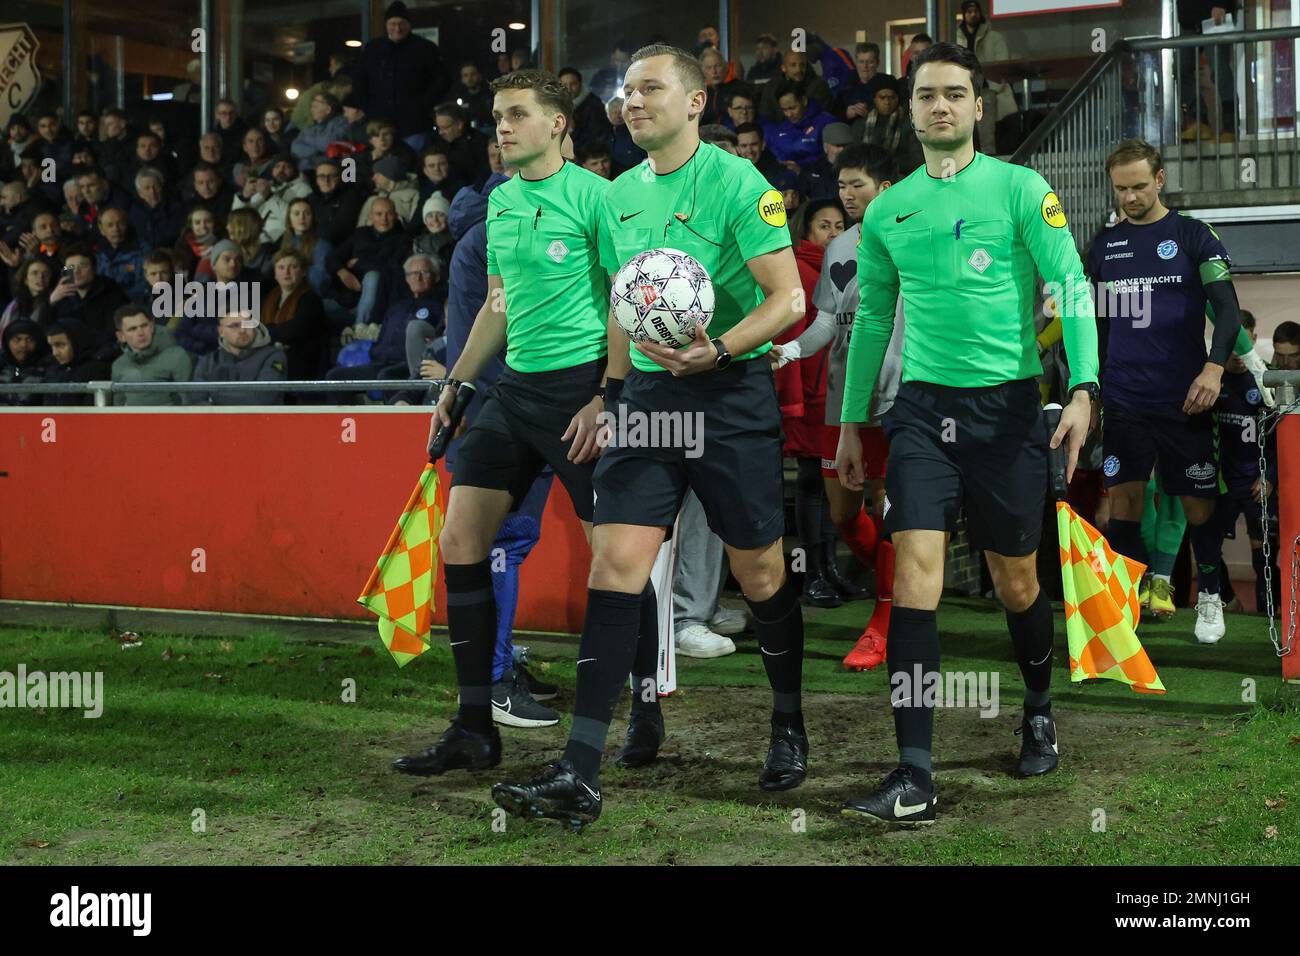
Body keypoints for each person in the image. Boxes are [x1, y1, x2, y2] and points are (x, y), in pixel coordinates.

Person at [493, 45, 808, 829]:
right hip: (648, 397)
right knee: (617, 562)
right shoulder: (616, 194)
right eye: (626, 91)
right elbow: (623, 307)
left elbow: (790, 300)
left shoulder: (740, 183)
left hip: (730, 393)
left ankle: (788, 721)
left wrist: (722, 349)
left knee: (761, 571)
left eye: (651, 89)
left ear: (696, 103)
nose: (632, 102)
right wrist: (610, 392)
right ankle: (580, 768)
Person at [838, 43, 1099, 824]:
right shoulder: (889, 209)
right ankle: (913, 772)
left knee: (1017, 582)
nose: (941, 106)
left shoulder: (1022, 189)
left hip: (1009, 414)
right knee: (915, 571)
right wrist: (852, 421)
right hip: (920, 412)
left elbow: (1071, 283)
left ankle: (1039, 705)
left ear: (979, 107)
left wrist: (1082, 387)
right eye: (927, 96)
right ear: (910, 110)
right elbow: (873, 318)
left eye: (956, 94)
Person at [392, 70, 659, 769]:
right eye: (497, 117)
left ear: (559, 125)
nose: (502, 128)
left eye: (516, 115)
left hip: (585, 394)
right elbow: (499, 305)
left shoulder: (603, 199)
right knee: (460, 540)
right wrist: (457, 382)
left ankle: (648, 706)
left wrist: (611, 394)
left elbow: (625, 301)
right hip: (512, 393)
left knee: (618, 562)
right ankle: (475, 728)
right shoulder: (502, 204)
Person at [1088, 138, 1265, 646]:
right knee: (1122, 502)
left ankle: (1210, 592)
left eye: (1139, 186)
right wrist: (1091, 384)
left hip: (1186, 398)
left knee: (1195, 504)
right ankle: (1125, 600)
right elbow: (1092, 322)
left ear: (1160, 180)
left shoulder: (1194, 236)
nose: (1130, 197)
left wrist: (1214, 370)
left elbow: (1227, 310)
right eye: (1121, 189)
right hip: (1123, 398)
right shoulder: (1104, 245)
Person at [773, 144, 902, 671]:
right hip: (844, 398)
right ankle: (911, 580)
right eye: (843, 186)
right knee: (844, 514)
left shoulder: (912, 239)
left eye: (859, 186)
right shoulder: (839, 247)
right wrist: (792, 348)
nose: (848, 196)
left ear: (886, 188)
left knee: (892, 511)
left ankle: (887, 620)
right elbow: (827, 321)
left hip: (898, 399)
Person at [1211, 310, 1280, 615]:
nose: (1239, 352)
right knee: (1207, 543)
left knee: (1262, 552)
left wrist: (1270, 476)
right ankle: (1226, 600)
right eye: (1233, 342)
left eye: (1245, 341)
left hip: (1257, 483)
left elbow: (1280, 438)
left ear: (1253, 338)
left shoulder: (1268, 380)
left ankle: (1269, 610)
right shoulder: (1211, 380)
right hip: (1222, 483)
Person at [354, 1, 449, 147]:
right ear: (386, 25)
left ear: (409, 24)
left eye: (401, 23)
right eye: (393, 24)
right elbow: (360, 80)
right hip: (380, 125)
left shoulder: (425, 48)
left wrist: (422, 106)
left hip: (413, 125)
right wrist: (368, 108)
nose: (397, 28)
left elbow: (442, 80)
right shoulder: (373, 49)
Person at [47, 245, 130, 360]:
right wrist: (50, 302)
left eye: (83, 265)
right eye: (70, 267)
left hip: (99, 355)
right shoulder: (60, 294)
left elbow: (112, 333)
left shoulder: (111, 291)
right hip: (66, 356)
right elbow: (45, 331)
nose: (76, 271)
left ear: (94, 268)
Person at [189, 311, 288, 405]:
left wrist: (213, 397)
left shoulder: (273, 355)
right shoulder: (209, 360)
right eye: (235, 326)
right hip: (216, 422)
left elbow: (261, 398)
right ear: (221, 331)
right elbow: (196, 397)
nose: (242, 330)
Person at [262, 249, 327, 382]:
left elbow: (294, 330)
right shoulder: (270, 297)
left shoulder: (311, 299)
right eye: (281, 267)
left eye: (293, 267)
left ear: (303, 272)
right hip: (272, 356)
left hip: (301, 362)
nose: (286, 272)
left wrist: (265, 332)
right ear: (275, 273)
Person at [110, 304, 193, 405]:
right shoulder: (118, 365)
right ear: (121, 336)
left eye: (144, 326)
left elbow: (188, 402)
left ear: (152, 326)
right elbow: (117, 408)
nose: (141, 333)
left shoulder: (177, 356)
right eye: (132, 329)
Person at [42, 318, 112, 404]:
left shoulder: (97, 369)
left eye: (60, 345)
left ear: (77, 342)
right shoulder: (53, 371)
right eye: (51, 346)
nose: (55, 353)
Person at [758, 52, 831, 124]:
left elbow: (821, 114)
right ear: (783, 68)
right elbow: (765, 117)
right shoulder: (771, 87)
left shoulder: (819, 86)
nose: (798, 69)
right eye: (793, 65)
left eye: (802, 65)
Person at [93, 207, 148, 301]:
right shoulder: (95, 254)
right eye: (110, 225)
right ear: (101, 230)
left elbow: (145, 284)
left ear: (127, 224)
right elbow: (69, 266)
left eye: (121, 224)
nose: (116, 229)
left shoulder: (142, 250)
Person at [291, 92, 349, 172]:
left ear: (328, 109)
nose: (312, 110)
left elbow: (329, 145)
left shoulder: (341, 122)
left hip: (329, 171)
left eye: (315, 107)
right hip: (305, 171)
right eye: (312, 107)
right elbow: (295, 147)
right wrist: (317, 151)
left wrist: (307, 139)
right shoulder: (309, 128)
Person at [558, 67, 613, 149]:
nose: (568, 88)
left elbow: (596, 138)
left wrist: (573, 131)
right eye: (564, 85)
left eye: (573, 84)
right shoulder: (557, 105)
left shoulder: (594, 106)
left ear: (580, 84)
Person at [797, 122, 853, 201]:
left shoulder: (860, 170)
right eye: (837, 145)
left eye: (846, 145)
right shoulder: (811, 171)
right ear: (826, 147)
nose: (842, 150)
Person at [836, 43, 889, 124]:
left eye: (870, 62)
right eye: (861, 62)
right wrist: (846, 114)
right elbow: (833, 115)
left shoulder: (886, 84)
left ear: (877, 63)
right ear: (856, 63)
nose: (865, 66)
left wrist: (869, 116)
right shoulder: (846, 86)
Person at [0, 318, 49, 405]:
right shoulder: (2, 365)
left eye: (30, 340)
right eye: (17, 339)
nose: (23, 345)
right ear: (7, 342)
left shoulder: (48, 368)